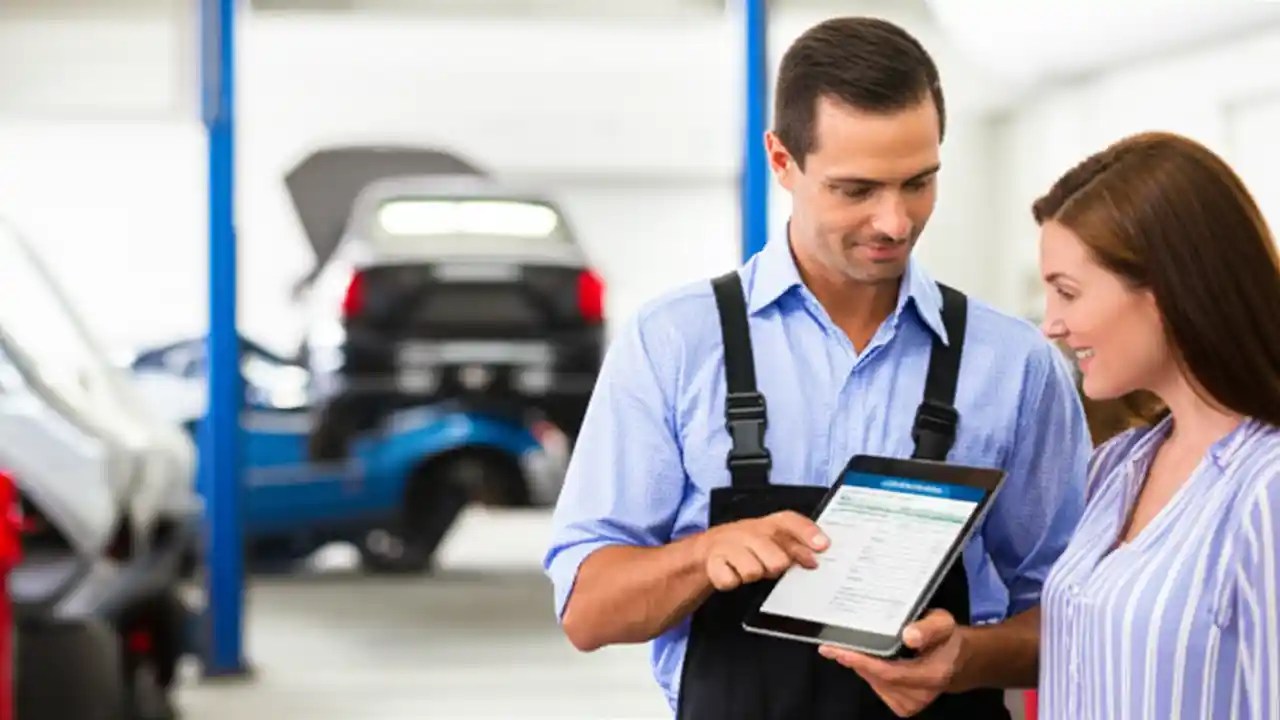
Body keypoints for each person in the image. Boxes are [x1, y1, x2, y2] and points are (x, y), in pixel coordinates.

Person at [542, 16, 1091, 720]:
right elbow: (588, 612)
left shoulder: (1015, 367)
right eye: (856, 190)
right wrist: (703, 557)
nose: (895, 222)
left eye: (918, 182)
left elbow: (1076, 616)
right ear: (782, 161)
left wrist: (969, 658)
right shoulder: (674, 344)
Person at [823, 131, 1280, 718]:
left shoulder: (1265, 490)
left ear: (1167, 290)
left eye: (1068, 292)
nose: (1052, 325)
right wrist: (963, 655)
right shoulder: (1120, 466)